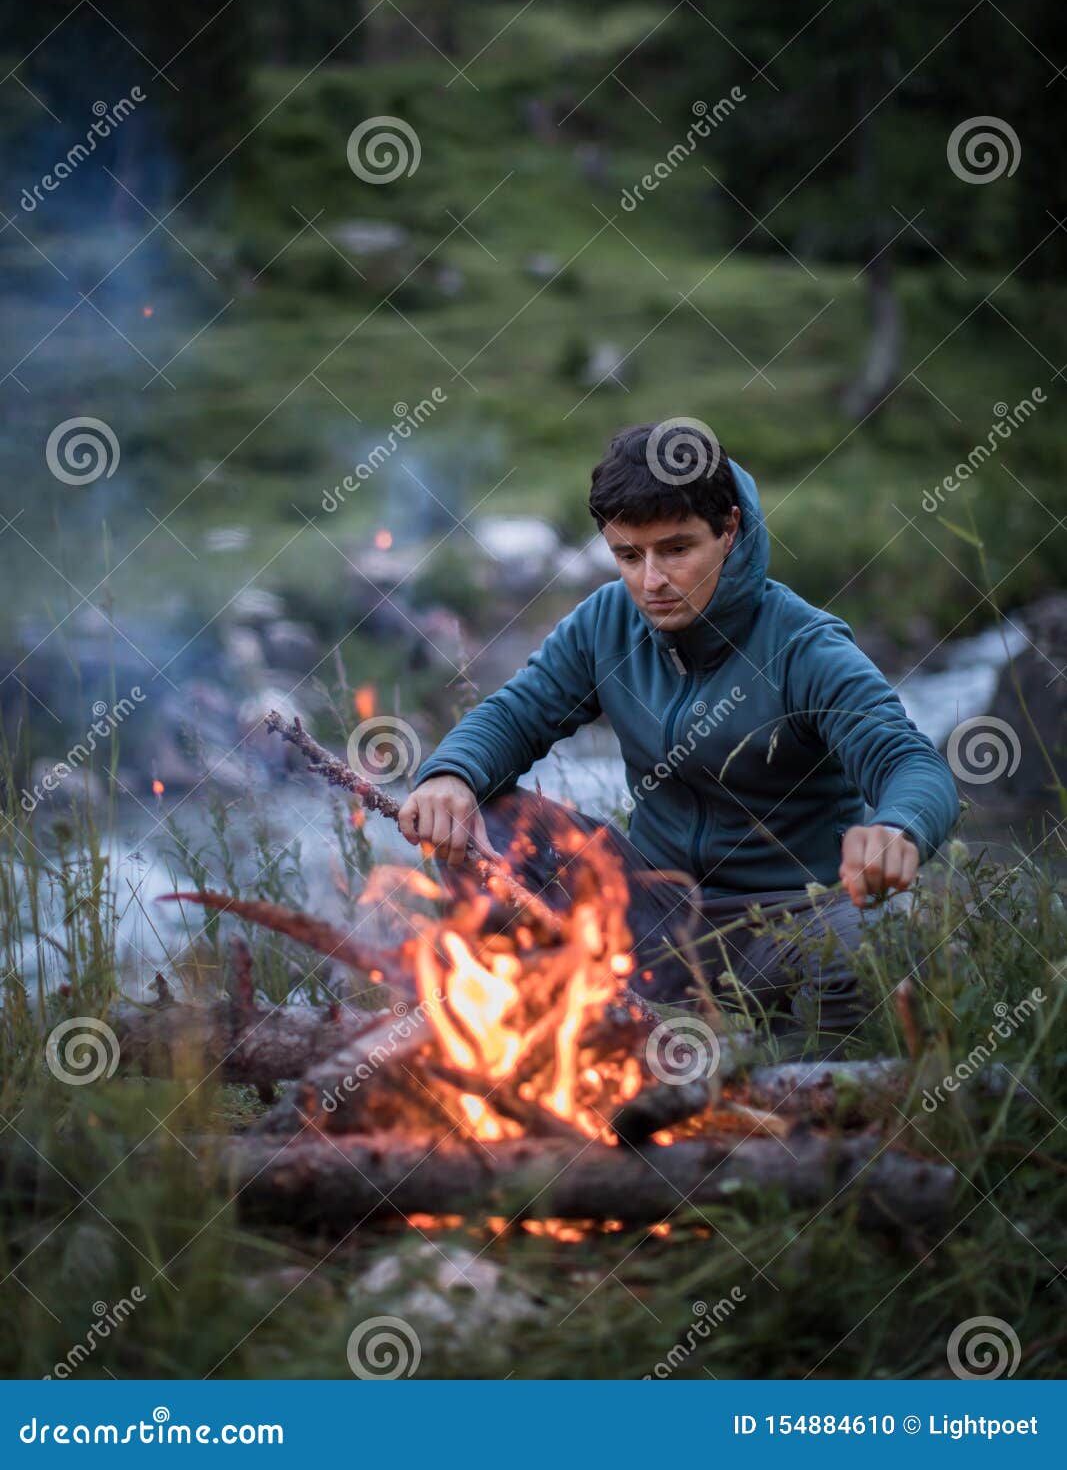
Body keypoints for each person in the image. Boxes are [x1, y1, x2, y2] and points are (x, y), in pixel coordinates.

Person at [397, 420, 961, 1035]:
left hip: (793, 924)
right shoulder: (605, 623)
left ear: (729, 529)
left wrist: (896, 829)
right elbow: (514, 715)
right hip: (654, 917)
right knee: (492, 820)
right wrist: (450, 775)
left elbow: (911, 763)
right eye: (628, 556)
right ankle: (542, 1033)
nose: (651, 582)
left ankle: (800, 1076)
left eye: (675, 550)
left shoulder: (806, 648)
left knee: (874, 933)